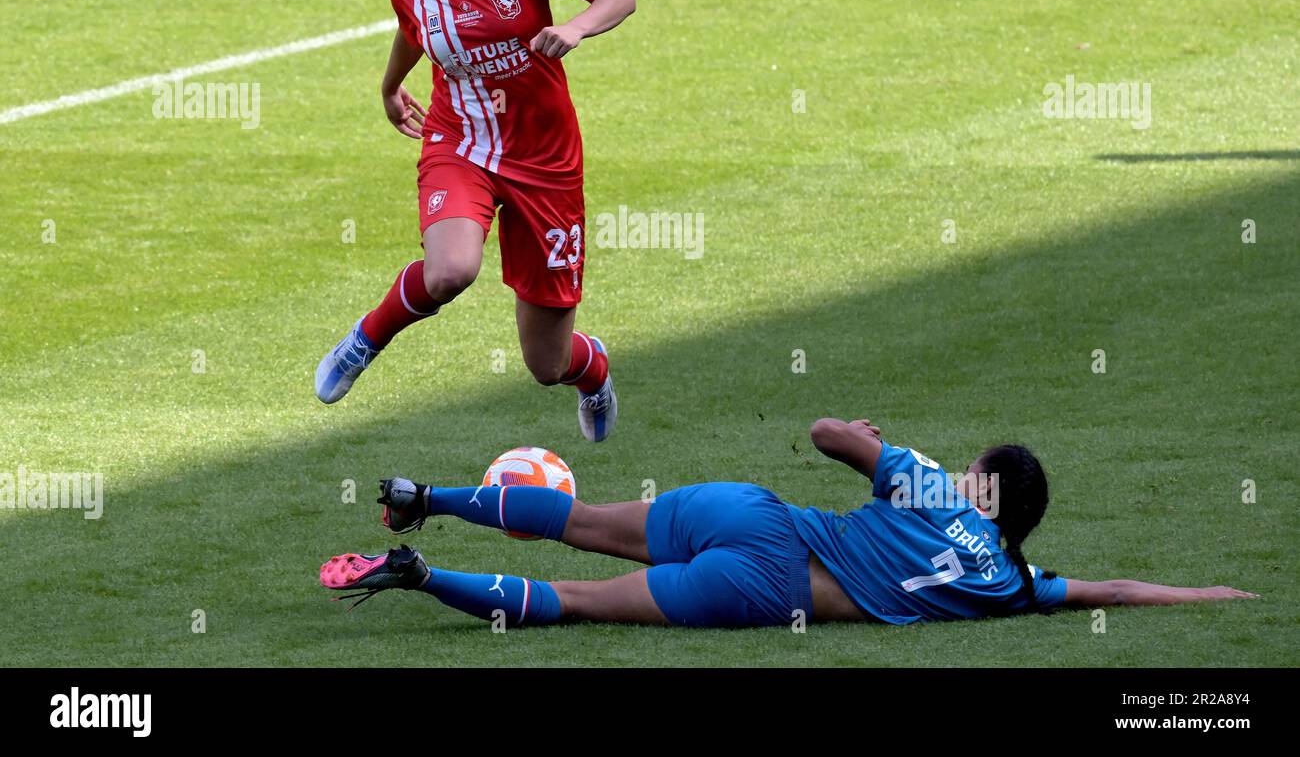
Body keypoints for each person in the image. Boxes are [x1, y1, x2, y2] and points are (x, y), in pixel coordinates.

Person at [319, 417, 1258, 625]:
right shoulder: (1013, 586)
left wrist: (869, 438)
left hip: (754, 512)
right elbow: (1111, 588)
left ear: (981, 486)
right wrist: (1207, 590)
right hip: (769, 587)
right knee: (574, 598)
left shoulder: (928, 486)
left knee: (580, 521)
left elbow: (824, 432)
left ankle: (425, 495)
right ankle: (415, 573)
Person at [315, 0, 636, 442]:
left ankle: (592, 370)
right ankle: (364, 340)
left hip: (546, 162)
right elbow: (415, 30)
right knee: (451, 271)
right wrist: (390, 87)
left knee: (547, 366)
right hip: (458, 142)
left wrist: (575, 27)